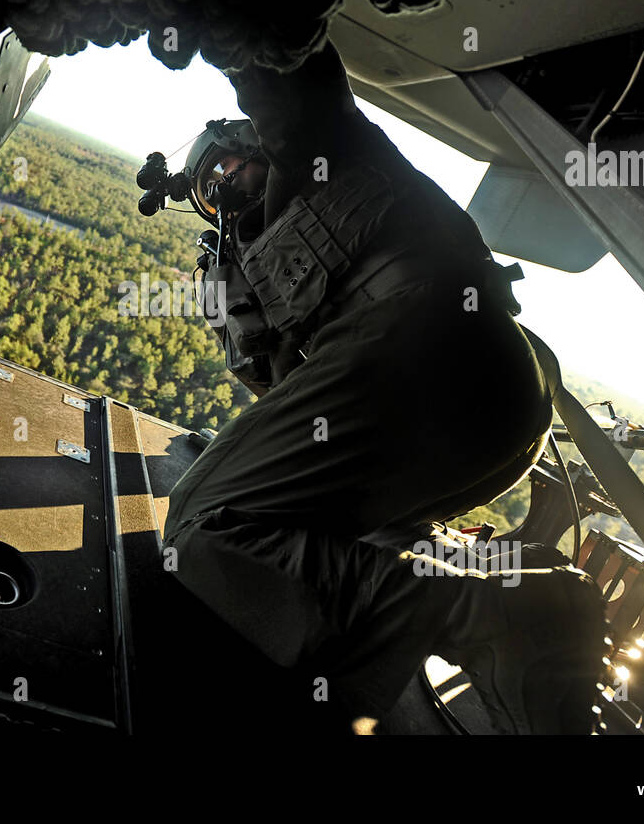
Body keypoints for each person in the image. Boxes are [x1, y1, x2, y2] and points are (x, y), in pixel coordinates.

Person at [159, 41, 608, 733]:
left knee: (201, 526)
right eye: (206, 186)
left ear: (254, 140)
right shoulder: (248, 267)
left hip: (432, 350)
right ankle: (490, 606)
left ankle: (491, 618)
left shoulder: (313, 149)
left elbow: (291, 74)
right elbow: (288, 401)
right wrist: (236, 306)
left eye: (227, 161)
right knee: (311, 533)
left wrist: (229, 13)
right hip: (483, 414)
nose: (223, 184)